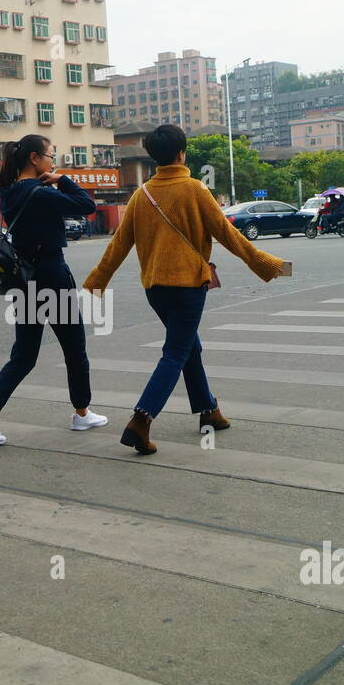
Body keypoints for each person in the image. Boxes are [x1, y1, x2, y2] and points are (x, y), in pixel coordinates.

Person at [83, 124, 292, 455]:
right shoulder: (195, 189)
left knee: (188, 347)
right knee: (176, 352)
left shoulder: (140, 195)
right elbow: (228, 234)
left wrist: (97, 280)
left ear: (155, 158)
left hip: (155, 289)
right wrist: (265, 263)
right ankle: (141, 419)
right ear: (181, 154)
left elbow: (118, 245)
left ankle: (209, 410)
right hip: (187, 287)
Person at [0, 135, 107, 445]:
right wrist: (64, 180)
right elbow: (87, 206)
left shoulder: (8, 193)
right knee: (75, 348)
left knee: (24, 354)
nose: (53, 161)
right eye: (50, 155)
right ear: (34, 159)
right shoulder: (41, 193)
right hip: (51, 275)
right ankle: (82, 413)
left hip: (25, 279)